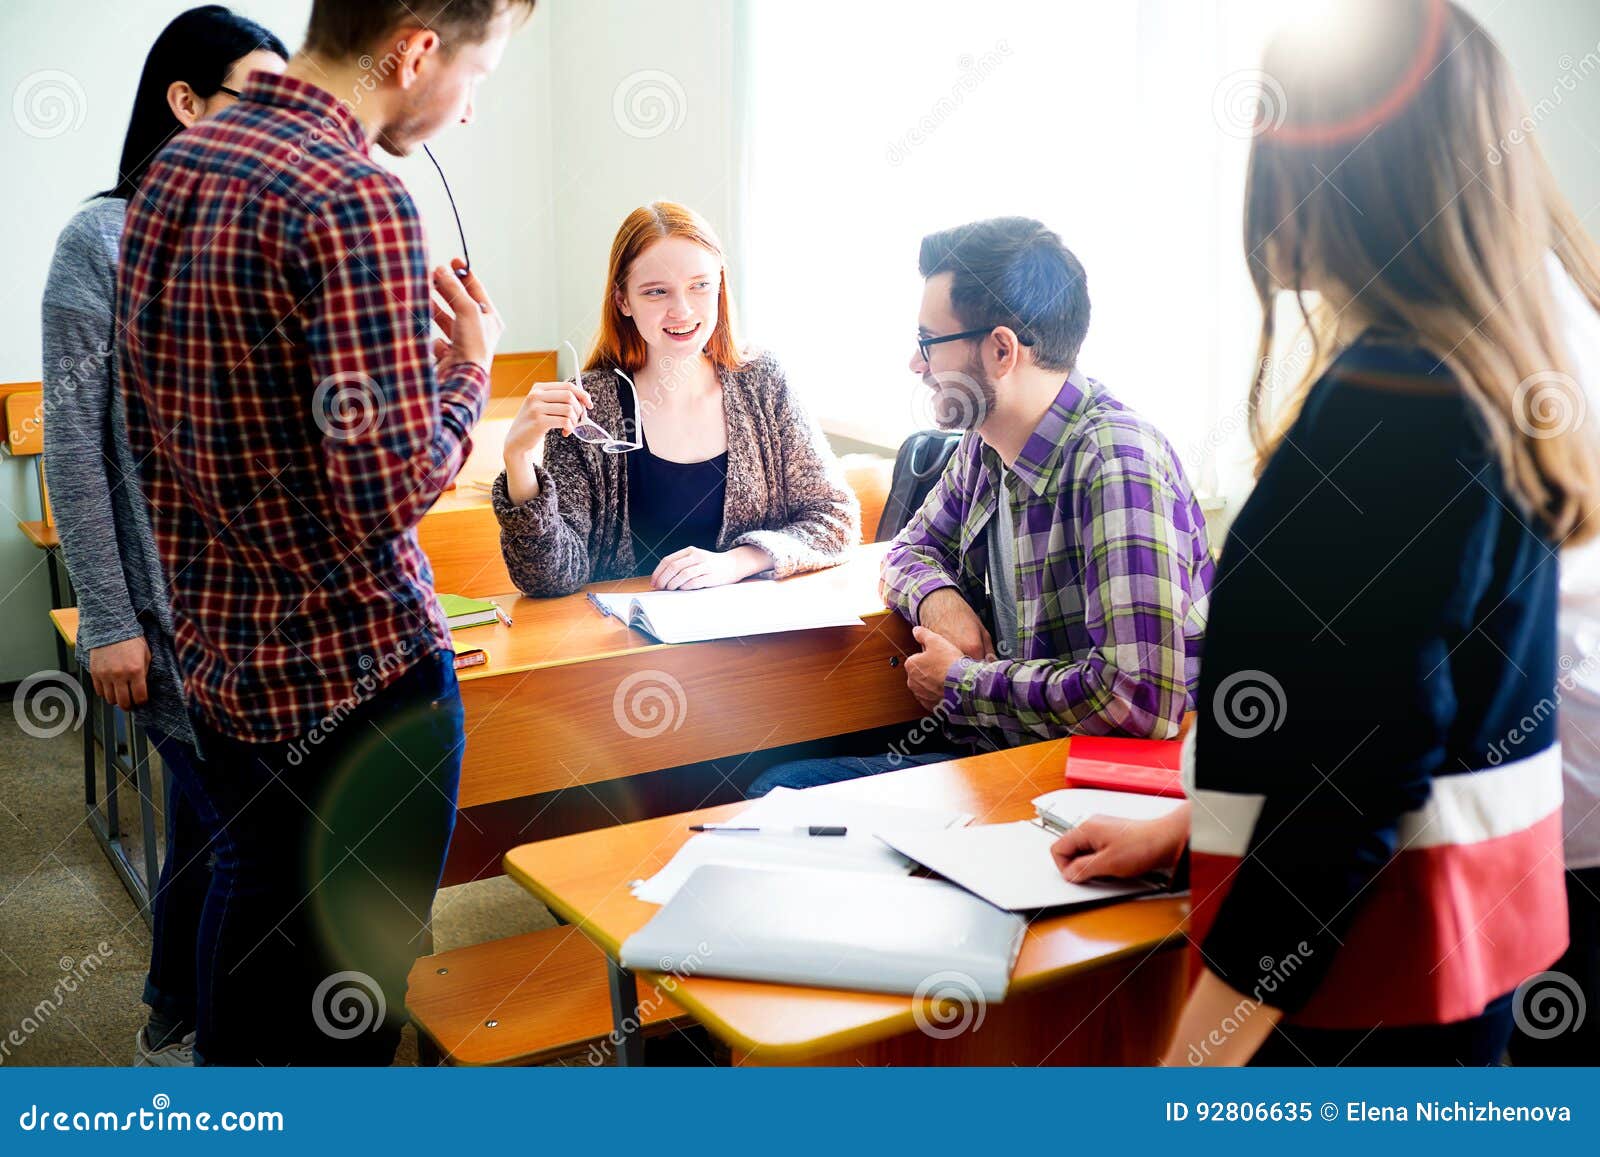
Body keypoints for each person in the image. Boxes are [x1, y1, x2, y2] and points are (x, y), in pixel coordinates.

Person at [1052, 0, 1599, 1066]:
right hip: (1462, 967)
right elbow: (1394, 705)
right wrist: (1201, 819)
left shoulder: (1395, 403)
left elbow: (1345, 795)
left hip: (1365, 995)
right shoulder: (1486, 377)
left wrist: (1187, 1074)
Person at [116, 0, 531, 1065]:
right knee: (347, 1002)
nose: (470, 111)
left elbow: (145, 425)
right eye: (480, 73)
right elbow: (382, 491)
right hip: (362, 690)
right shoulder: (358, 199)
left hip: (227, 674)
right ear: (417, 48)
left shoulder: (177, 170)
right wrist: (467, 370)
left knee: (255, 957)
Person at [748, 217, 1213, 796]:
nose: (916, 365)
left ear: (999, 350)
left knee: (783, 794)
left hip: (1096, 788)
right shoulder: (986, 443)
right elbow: (910, 550)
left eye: (928, 342)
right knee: (782, 788)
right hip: (1008, 753)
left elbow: (1139, 701)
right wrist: (940, 600)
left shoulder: (1117, 464)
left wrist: (963, 684)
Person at [41, 5, 288, 1067]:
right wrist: (108, 619)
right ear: (184, 103)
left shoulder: (266, 236)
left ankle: (168, 1001)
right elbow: (75, 446)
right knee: (247, 841)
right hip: (167, 616)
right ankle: (207, 1055)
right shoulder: (100, 240)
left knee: (213, 825)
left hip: (268, 613)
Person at [495, 200, 859, 595]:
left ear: (720, 284)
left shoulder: (762, 381)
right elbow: (547, 579)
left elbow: (835, 520)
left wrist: (738, 562)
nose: (682, 310)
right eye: (656, 292)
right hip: (626, 646)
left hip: (754, 643)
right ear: (623, 301)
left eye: (699, 285)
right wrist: (518, 458)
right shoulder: (589, 406)